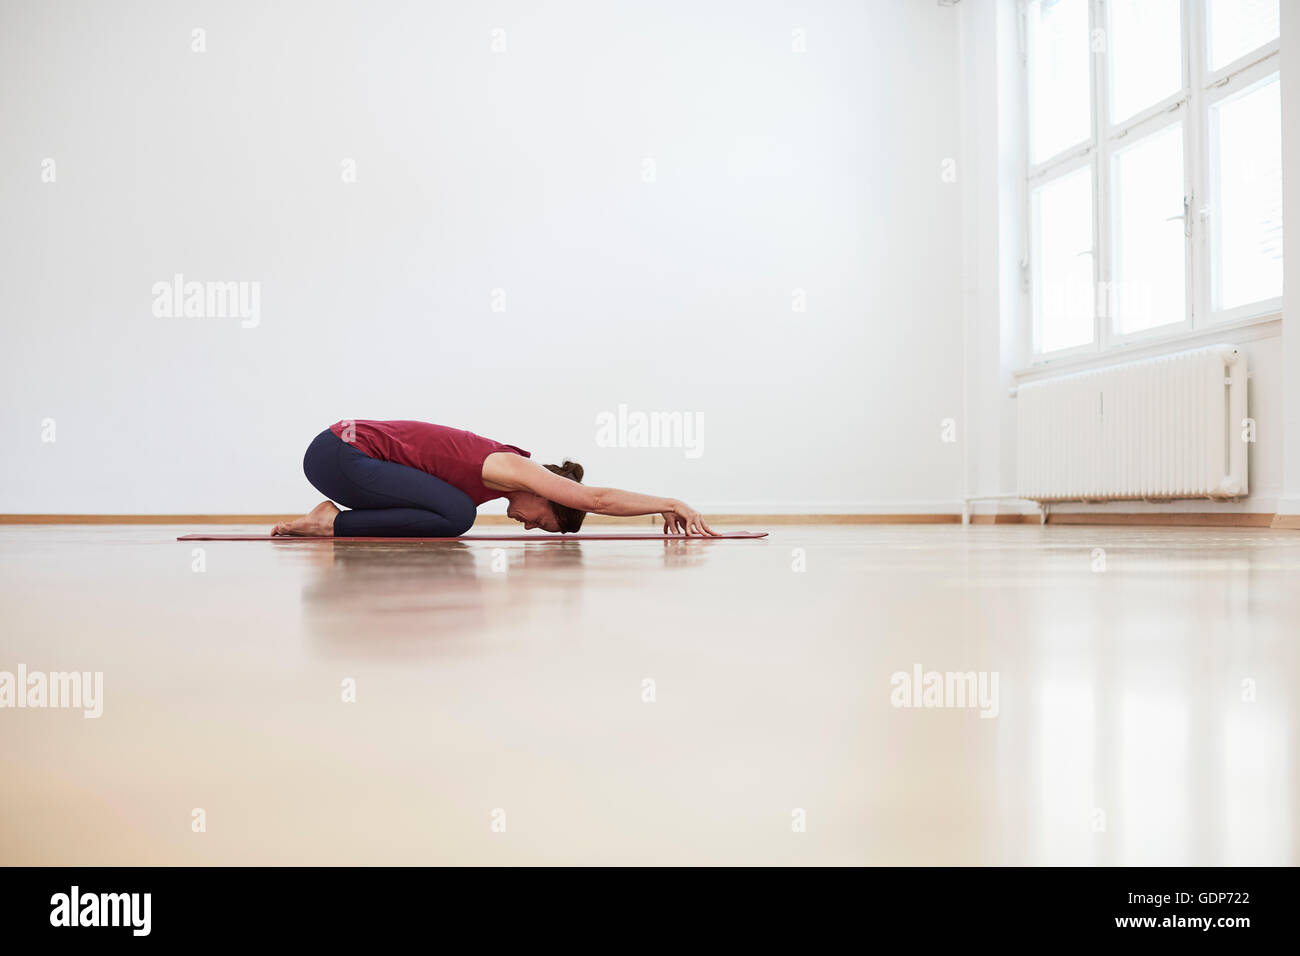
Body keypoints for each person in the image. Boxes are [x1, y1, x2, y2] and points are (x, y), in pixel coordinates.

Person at [271, 419, 718, 538]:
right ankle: (329, 522)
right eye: (540, 521)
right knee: (456, 513)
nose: (527, 526)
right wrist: (669, 502)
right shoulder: (517, 469)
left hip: (339, 457)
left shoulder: (497, 481)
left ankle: (331, 519)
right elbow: (595, 499)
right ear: (551, 495)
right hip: (340, 453)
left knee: (452, 512)